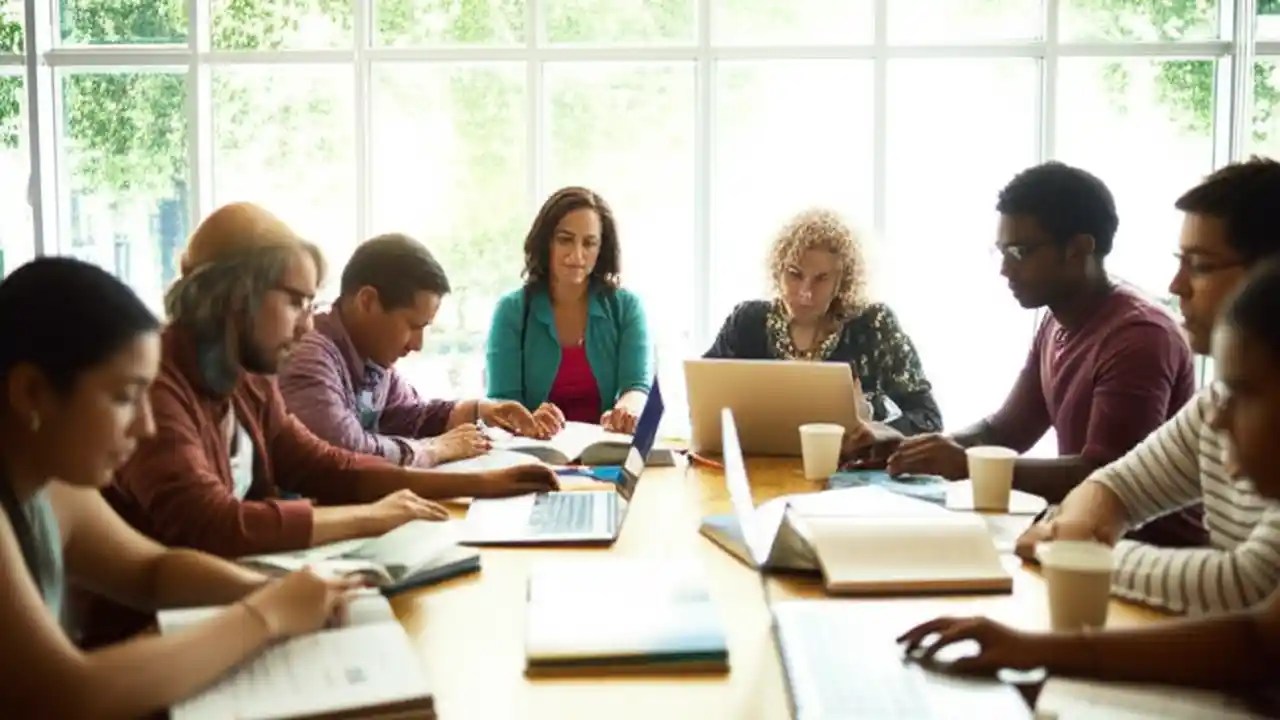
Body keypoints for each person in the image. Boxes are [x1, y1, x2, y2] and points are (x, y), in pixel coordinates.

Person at [898, 257, 1280, 700]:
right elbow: (1258, 640)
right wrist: (1032, 647)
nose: (1214, 415)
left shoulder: (1140, 334)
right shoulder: (1053, 328)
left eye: (1241, 392)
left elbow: (1246, 600)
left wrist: (1065, 553)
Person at [0, 257, 360, 718]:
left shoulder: (51, 484)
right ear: (31, 393)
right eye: (126, 397)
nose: (146, 426)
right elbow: (68, 692)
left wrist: (268, 590)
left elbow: (151, 571)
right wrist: (264, 616)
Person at [1000, 157, 1280, 615]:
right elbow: (1115, 484)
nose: (1176, 285)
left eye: (1201, 266)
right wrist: (1072, 535)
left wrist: (1065, 550)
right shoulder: (1218, 404)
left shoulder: (1138, 334)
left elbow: (1247, 585)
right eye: (1180, 263)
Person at [886, 162, 1203, 546]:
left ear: (1079, 249)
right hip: (1085, 544)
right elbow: (1005, 430)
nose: (1005, 269)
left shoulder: (1139, 337)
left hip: (1151, 560)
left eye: (1020, 251)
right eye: (1002, 251)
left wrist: (967, 466)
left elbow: (1105, 475)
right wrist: (916, 450)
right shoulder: (1056, 321)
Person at [279, 234, 545, 468]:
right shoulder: (309, 355)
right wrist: (434, 450)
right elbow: (343, 450)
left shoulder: (371, 359)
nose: (417, 345)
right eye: (413, 326)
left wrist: (482, 411)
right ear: (367, 301)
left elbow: (411, 416)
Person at [704, 207, 941, 458]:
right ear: (778, 271)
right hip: (755, 470)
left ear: (842, 280)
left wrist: (880, 431)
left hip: (850, 479)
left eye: (821, 279)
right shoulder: (746, 322)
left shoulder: (872, 325)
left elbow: (928, 419)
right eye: (794, 275)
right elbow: (704, 404)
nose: (805, 293)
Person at [486, 186, 653, 435]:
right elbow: (500, 402)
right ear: (546, 243)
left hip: (606, 452)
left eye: (589, 243)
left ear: (601, 249)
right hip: (534, 455)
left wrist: (627, 410)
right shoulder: (511, 311)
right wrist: (528, 420)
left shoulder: (627, 307)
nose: (577, 255)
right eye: (565, 240)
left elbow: (636, 386)